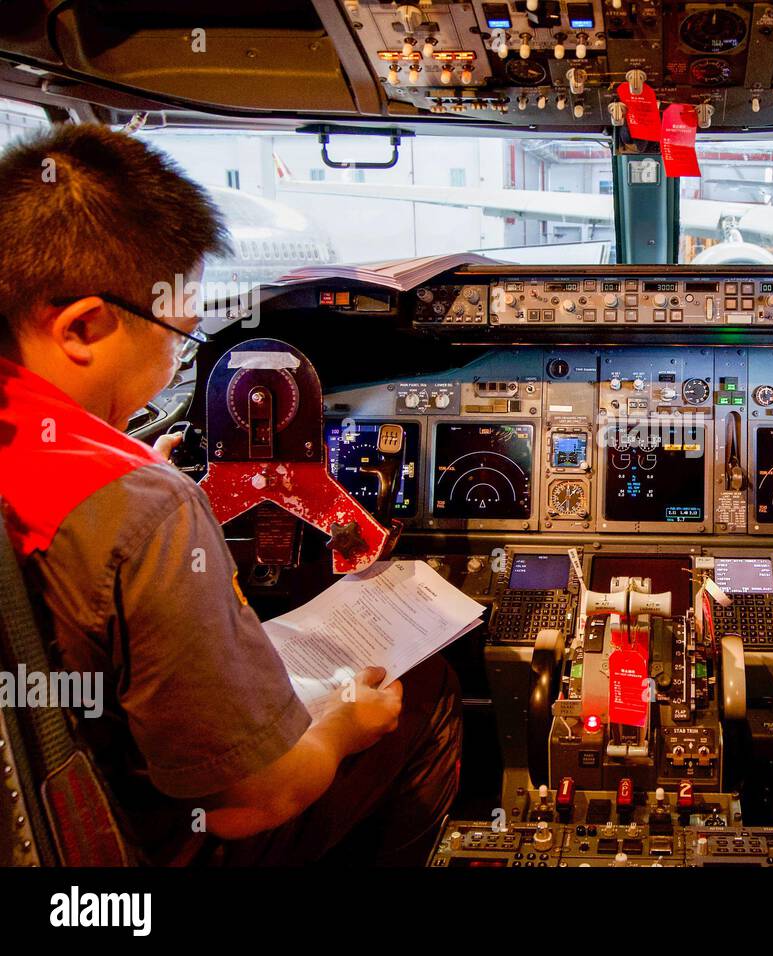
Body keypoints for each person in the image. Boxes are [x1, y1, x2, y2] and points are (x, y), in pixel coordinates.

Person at [0, 123, 461, 865]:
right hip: (133, 851)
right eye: (174, 337)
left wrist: (132, 482)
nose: (177, 357)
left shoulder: (104, 482)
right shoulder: (140, 507)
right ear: (83, 326)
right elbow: (255, 803)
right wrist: (345, 722)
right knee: (427, 688)